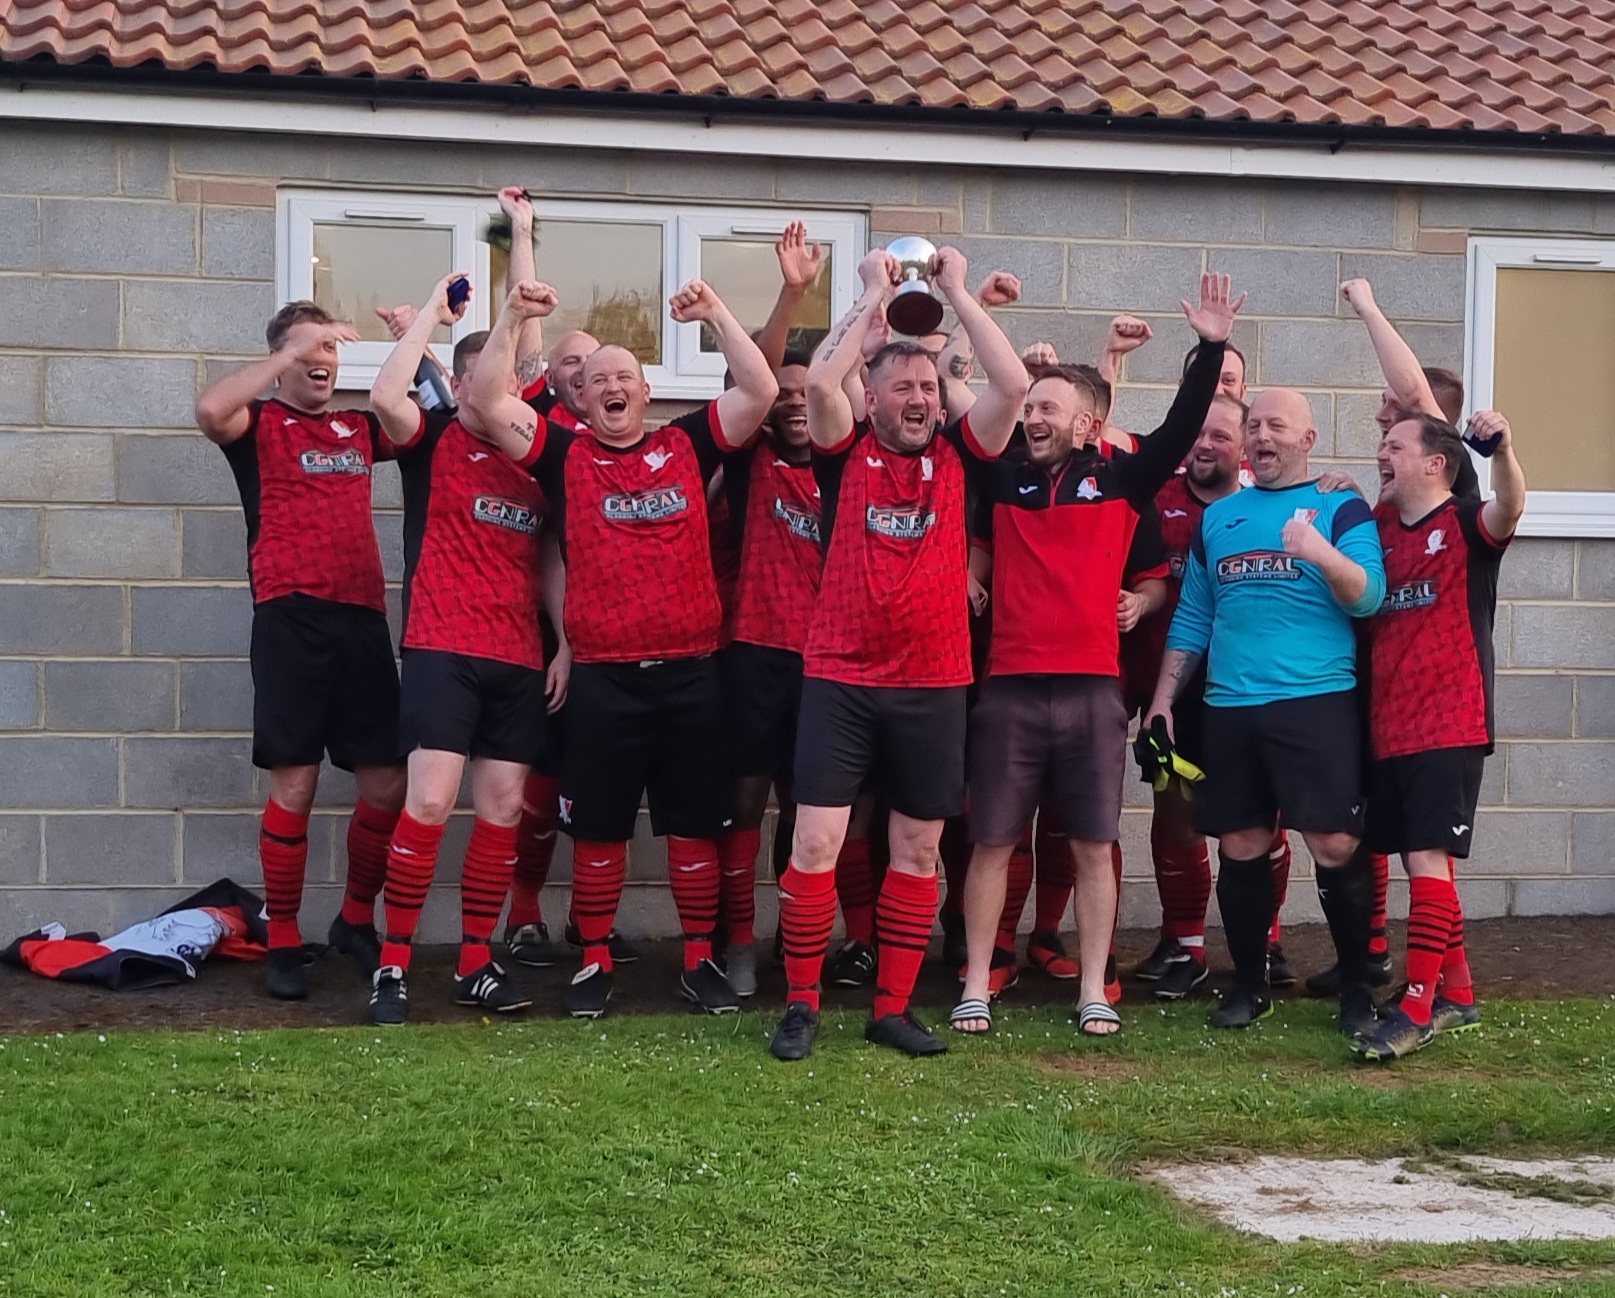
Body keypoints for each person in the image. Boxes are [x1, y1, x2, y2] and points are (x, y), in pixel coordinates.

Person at [466, 277, 778, 1019]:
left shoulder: (684, 443)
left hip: (691, 673)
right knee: (599, 829)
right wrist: (511, 315)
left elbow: (760, 388)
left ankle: (697, 961)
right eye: (597, 378)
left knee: (697, 825)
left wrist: (714, 314)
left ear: (646, 392)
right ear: (581, 397)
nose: (609, 386)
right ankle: (595, 963)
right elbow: (485, 400)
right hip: (605, 680)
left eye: (623, 378)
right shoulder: (562, 453)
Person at [951, 273, 1243, 1039]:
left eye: (1047, 408)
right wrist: (960, 301)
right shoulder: (1002, 478)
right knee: (990, 843)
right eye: (1029, 406)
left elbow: (1179, 431)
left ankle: (1093, 991)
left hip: (1090, 693)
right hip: (1009, 689)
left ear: (1087, 426)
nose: (1032, 416)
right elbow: (962, 397)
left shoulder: (1120, 482)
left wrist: (1209, 348)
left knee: (1091, 843)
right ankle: (976, 984)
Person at [769, 244, 1029, 1062]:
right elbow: (816, 381)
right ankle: (803, 1004)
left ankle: (891, 1007)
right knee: (815, 843)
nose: (917, 399)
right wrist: (870, 297)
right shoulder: (847, 452)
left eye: (927, 388)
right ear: (872, 398)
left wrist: (953, 293)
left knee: (917, 849)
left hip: (933, 683)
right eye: (901, 387)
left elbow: (1013, 387)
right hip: (840, 677)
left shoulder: (962, 456)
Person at [363, 261, 572, 1023]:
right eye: (492, 373)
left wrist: (566, 644)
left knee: (503, 806)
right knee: (428, 799)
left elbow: (551, 556)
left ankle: (477, 963)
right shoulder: (433, 438)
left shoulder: (533, 456)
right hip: (442, 645)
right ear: (458, 381)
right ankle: (391, 966)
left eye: (514, 374)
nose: (507, 384)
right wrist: (429, 314)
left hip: (517, 653)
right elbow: (386, 394)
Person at [1148, 387, 1387, 1037]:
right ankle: (1249, 986)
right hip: (1230, 705)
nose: (1261, 435)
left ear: (1306, 440)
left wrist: (1317, 551)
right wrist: (1164, 701)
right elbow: (1194, 614)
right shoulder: (1220, 517)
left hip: (1315, 702)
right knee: (1241, 842)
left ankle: (1357, 990)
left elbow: (1367, 597)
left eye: (1275, 425)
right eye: (1252, 425)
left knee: (1335, 843)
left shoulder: (1340, 507)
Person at [194, 303, 407, 1001]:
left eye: (331, 349)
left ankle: (353, 919)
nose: (323, 359)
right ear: (283, 356)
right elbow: (209, 408)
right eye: (309, 349)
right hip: (290, 616)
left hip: (361, 616)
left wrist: (414, 336)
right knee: (297, 782)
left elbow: (428, 416)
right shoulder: (258, 424)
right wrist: (291, 353)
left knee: (385, 783)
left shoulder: (355, 428)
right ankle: (283, 937)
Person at [1355, 410, 1523, 1060]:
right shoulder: (1379, 530)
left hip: (1448, 720)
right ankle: (1457, 993)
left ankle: (1418, 1007)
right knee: (1422, 862)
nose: (1381, 452)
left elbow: (1508, 507)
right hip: (1388, 725)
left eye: (1393, 445)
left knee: (1426, 859)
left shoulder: (1462, 525)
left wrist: (1502, 451)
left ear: (1434, 463)